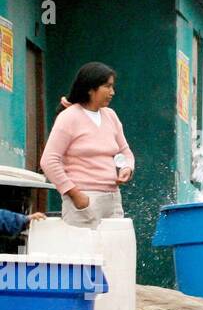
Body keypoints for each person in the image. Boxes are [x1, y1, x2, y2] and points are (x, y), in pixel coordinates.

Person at [40, 62, 135, 228]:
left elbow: (125, 152)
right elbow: (48, 161)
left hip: (113, 198)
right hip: (83, 198)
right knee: (84, 252)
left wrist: (128, 168)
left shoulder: (111, 116)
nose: (112, 92)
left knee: (113, 251)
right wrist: (75, 194)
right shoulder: (69, 117)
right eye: (107, 86)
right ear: (91, 88)